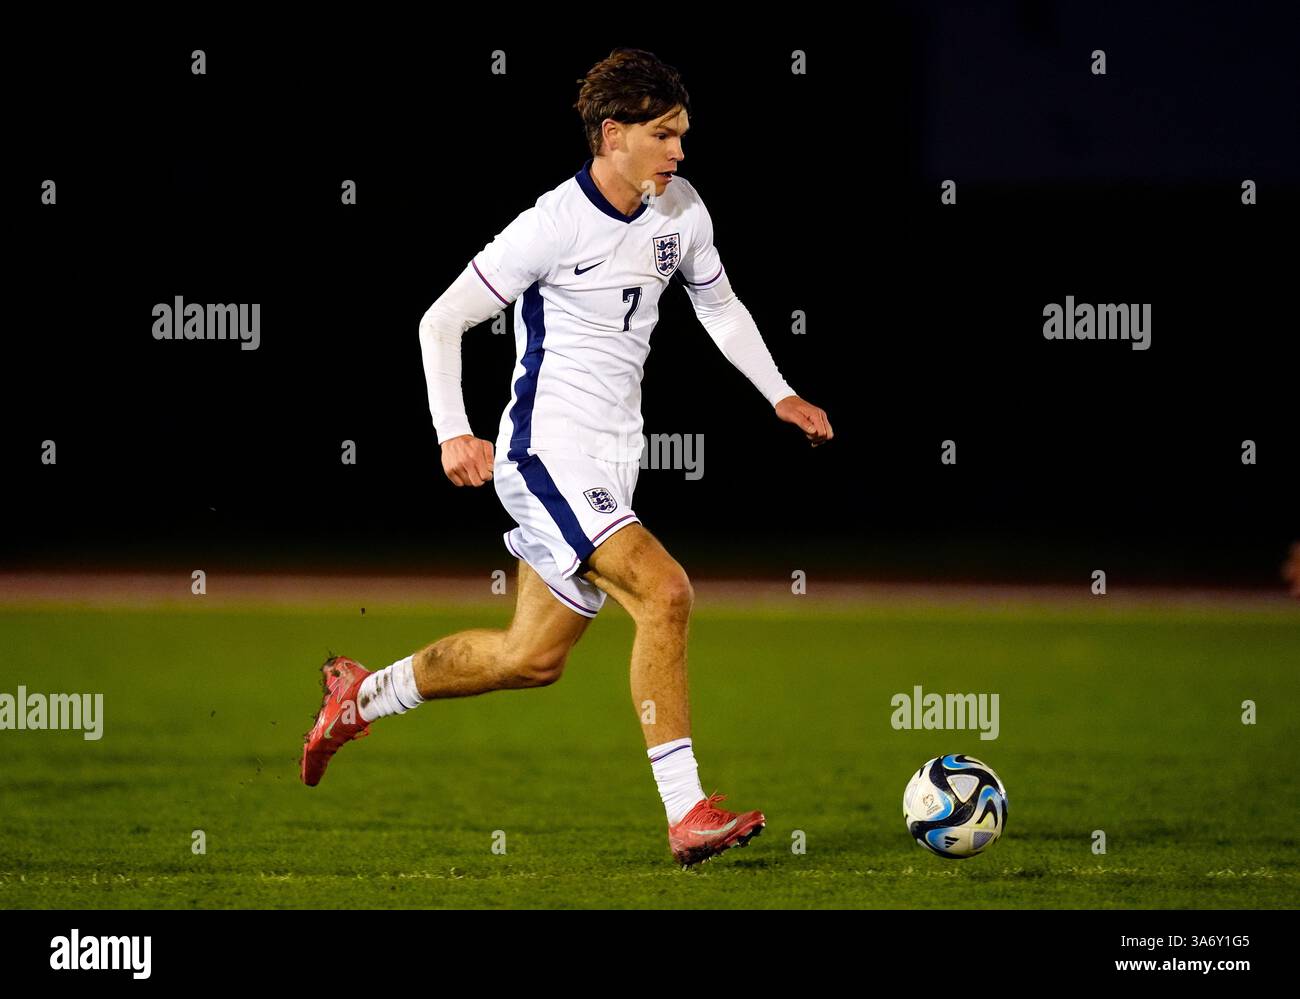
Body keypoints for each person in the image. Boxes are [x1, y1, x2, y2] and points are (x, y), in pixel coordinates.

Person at [301, 47, 833, 868]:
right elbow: (439, 322)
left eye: (683, 134)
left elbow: (719, 306)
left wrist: (779, 392)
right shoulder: (552, 223)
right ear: (612, 135)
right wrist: (453, 429)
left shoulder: (681, 209)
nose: (679, 152)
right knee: (666, 591)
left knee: (530, 658)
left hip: (612, 461)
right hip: (546, 453)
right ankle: (687, 811)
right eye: (663, 135)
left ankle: (361, 695)